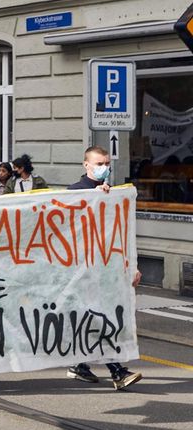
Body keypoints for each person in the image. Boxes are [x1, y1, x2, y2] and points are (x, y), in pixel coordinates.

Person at [64, 146, 142, 389]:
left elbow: (122, 233)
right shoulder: (75, 192)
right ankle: (117, 371)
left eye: (107, 163)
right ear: (86, 165)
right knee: (101, 319)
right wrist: (92, 197)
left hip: (106, 269)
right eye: (99, 164)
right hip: (82, 272)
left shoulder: (113, 193)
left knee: (97, 319)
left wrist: (132, 265)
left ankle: (79, 365)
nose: (104, 168)